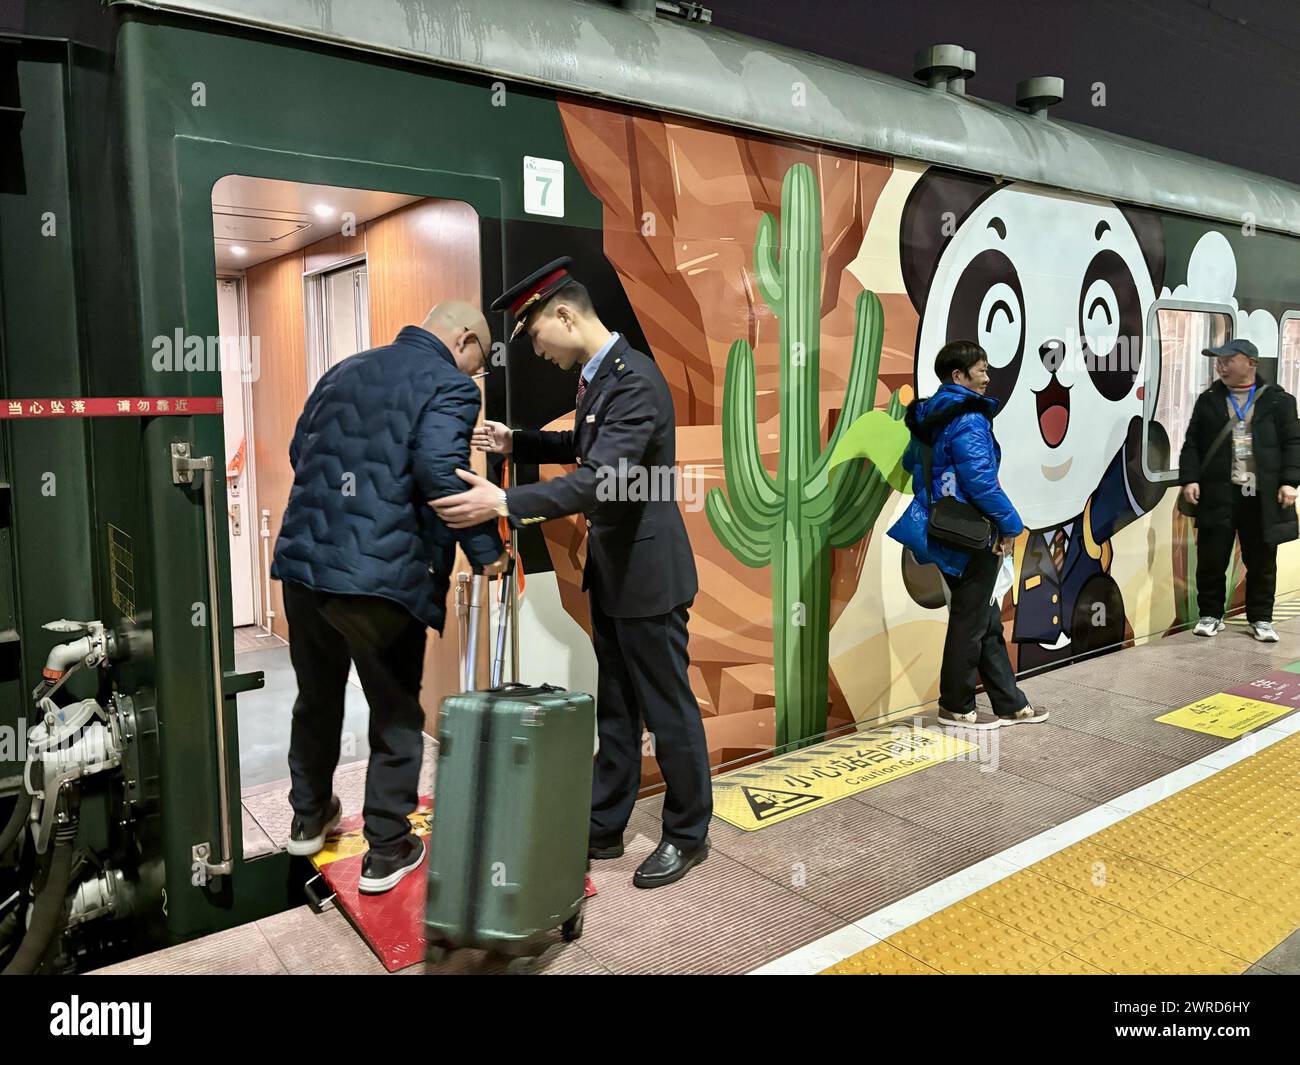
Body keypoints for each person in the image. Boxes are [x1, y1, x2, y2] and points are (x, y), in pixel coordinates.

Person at [433, 257, 712, 889]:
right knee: (614, 706)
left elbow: (603, 477)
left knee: (669, 712)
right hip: (617, 574)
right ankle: (605, 823)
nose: (535, 351)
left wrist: (505, 503)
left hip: (649, 575)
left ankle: (687, 833)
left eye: (535, 336)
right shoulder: (601, 378)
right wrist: (519, 442)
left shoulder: (634, 380)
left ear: (565, 315)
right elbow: (587, 447)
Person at [272, 300, 506, 894]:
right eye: (479, 361)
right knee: (396, 710)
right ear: (466, 340)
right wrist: (487, 552)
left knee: (316, 697)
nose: (476, 374)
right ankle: (386, 849)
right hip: (382, 579)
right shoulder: (450, 385)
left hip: (305, 569)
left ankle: (308, 816)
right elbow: (439, 470)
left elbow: (302, 452)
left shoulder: (344, 368)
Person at [888, 339, 1047, 730]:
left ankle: (1011, 703)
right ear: (958, 375)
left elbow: (911, 464)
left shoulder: (929, 416)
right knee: (970, 620)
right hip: (974, 533)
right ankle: (956, 705)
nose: (988, 378)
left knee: (982, 617)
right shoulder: (969, 419)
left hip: (944, 530)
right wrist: (1011, 524)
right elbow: (980, 482)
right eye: (982, 370)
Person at [1179, 338, 1300, 641]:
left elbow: (1293, 444)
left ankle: (1260, 618)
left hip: (1261, 494)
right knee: (1211, 556)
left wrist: (1290, 481)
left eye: (1228, 360)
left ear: (1251, 363)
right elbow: (1192, 443)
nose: (1221, 366)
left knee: (1261, 559)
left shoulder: (1278, 401)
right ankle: (1210, 615)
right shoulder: (1209, 401)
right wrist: (1190, 478)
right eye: (1218, 361)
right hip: (1220, 492)